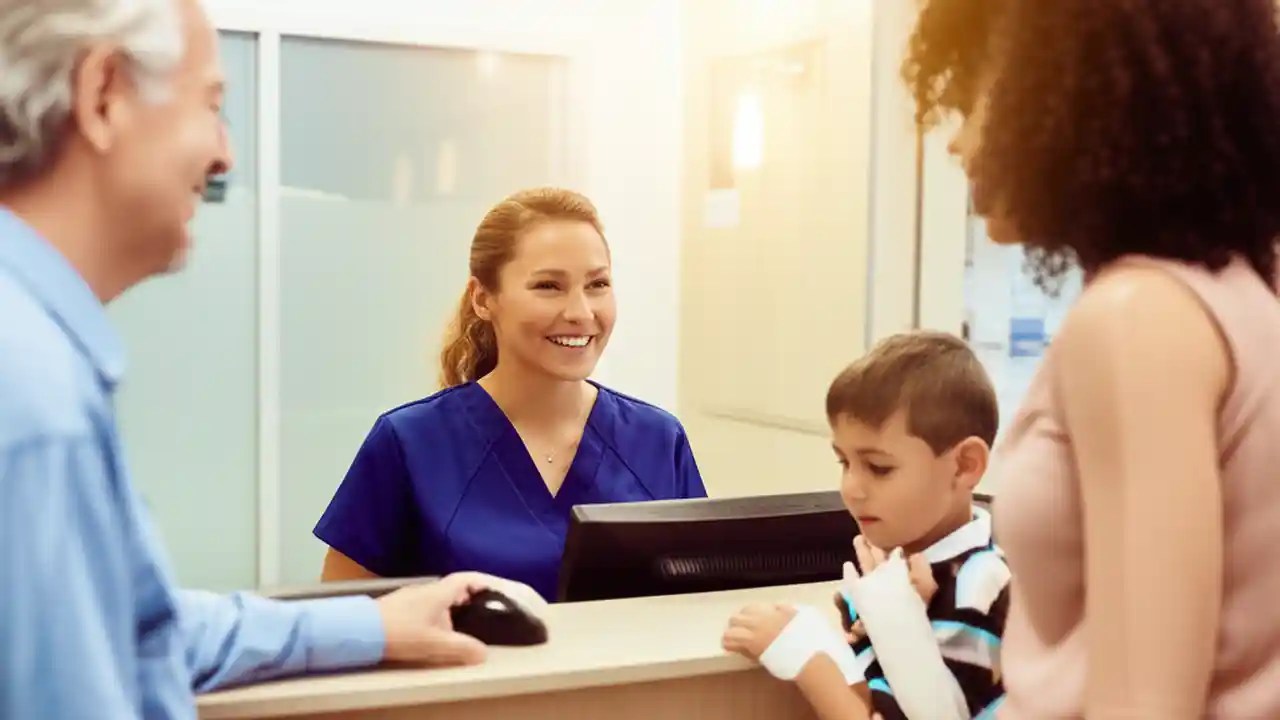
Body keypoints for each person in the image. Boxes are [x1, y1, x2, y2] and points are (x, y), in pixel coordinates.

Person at [0, 1, 534, 716]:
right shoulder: (34, 399)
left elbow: (134, 632)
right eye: (211, 105)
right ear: (103, 96)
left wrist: (372, 623)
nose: (226, 155)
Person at [904, 0, 1280, 717]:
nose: (957, 142)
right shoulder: (1234, 295)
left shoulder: (1135, 320)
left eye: (974, 92)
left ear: (1071, 90)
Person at [314, 187, 708, 601]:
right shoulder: (410, 443)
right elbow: (344, 622)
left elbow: (697, 605)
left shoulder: (658, 441)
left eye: (598, 284)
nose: (580, 312)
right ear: (483, 299)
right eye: (548, 286)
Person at [722, 332, 1009, 720]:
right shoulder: (904, 570)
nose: (851, 489)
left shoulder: (978, 587)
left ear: (964, 465)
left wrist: (804, 655)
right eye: (844, 462)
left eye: (879, 467)